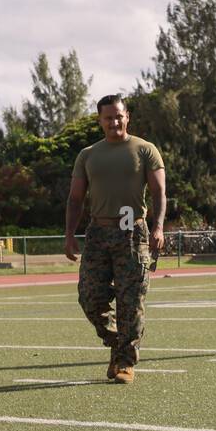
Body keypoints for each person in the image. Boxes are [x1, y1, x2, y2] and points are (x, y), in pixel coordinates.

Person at [64, 94, 165, 384]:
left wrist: (158, 228)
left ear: (127, 116)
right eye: (108, 118)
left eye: (119, 116)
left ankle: (125, 362)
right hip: (98, 233)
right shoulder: (88, 155)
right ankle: (117, 343)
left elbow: (159, 193)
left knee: (131, 301)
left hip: (134, 233)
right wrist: (70, 235)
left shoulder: (145, 150)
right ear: (100, 120)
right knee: (89, 297)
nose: (114, 122)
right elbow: (75, 199)